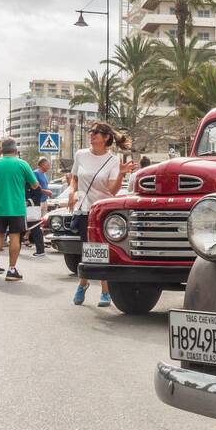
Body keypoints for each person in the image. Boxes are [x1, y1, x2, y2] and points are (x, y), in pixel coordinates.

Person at [69, 122, 135, 306]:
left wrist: (121, 174)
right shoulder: (80, 154)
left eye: (96, 132)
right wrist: (71, 191)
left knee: (100, 251)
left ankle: (99, 289)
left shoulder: (113, 160)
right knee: (88, 250)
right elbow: (74, 177)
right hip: (83, 209)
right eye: (91, 131)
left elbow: (112, 191)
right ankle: (86, 284)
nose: (92, 134)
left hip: (102, 211)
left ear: (106, 138)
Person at [0, 137, 37, 281]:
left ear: (2, 150)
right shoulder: (22, 164)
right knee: (14, 237)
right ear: (15, 149)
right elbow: (35, 184)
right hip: (16, 208)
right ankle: (12, 270)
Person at [28, 156, 53, 257]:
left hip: (44, 201)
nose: (49, 166)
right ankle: (26, 239)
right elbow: (35, 186)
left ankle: (39, 245)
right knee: (34, 223)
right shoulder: (35, 173)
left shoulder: (44, 175)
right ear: (42, 164)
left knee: (40, 223)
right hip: (37, 202)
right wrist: (45, 191)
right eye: (47, 164)